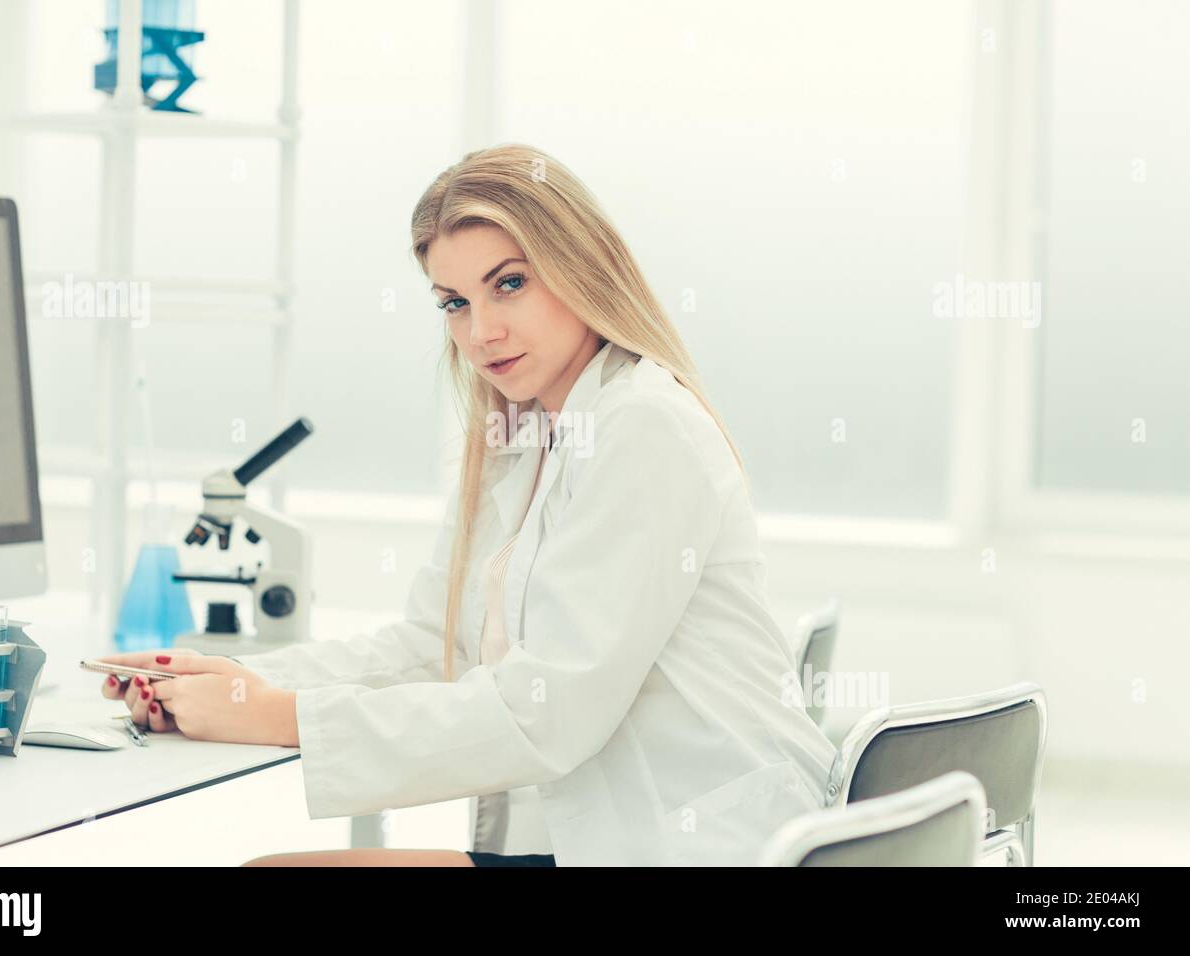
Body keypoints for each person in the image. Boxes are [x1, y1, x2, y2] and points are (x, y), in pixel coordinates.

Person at [100, 143, 838, 866]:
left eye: (509, 284)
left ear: (580, 265)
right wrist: (231, 683)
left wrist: (274, 717)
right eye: (455, 302)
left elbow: (545, 711)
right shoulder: (518, 436)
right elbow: (435, 647)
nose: (480, 330)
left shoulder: (643, 426)